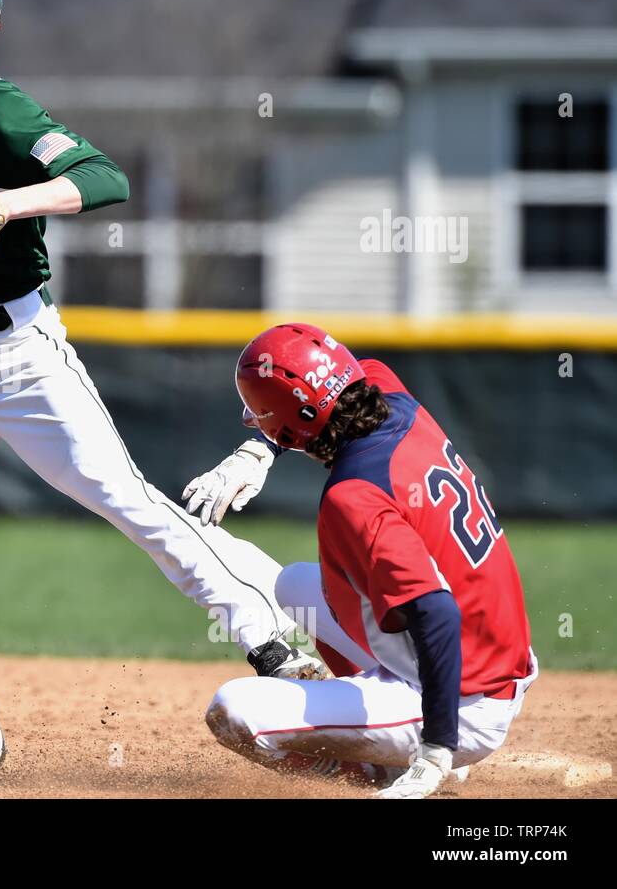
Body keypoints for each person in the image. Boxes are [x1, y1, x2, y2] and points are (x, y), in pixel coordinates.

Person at [0, 0, 322, 775]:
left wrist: (7, 203)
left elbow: (101, 175)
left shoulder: (1, 104)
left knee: (127, 501)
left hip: (15, 356)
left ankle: (271, 639)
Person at [183, 322, 536, 798]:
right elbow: (345, 379)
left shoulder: (353, 495)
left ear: (292, 420)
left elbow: (436, 614)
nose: (255, 421)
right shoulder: (392, 398)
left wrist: (436, 750)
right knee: (294, 586)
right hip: (495, 649)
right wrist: (260, 450)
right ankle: (385, 729)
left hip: (464, 700)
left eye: (260, 415)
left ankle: (377, 771)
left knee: (233, 710)